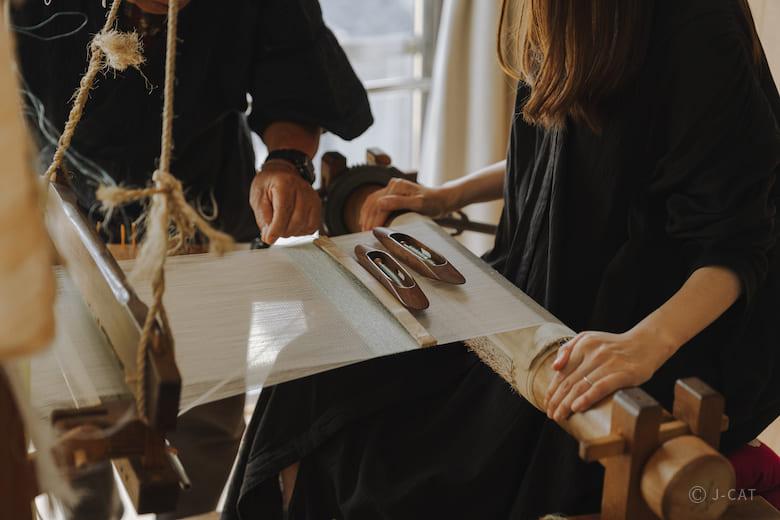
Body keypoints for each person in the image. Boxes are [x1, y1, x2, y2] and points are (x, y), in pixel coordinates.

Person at [223, 0, 780, 518]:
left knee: (390, 471)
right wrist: (447, 196)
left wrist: (642, 345)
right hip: (535, 291)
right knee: (309, 379)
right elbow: (561, 151)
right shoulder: (550, 11)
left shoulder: (698, 26)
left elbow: (734, 245)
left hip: (657, 330)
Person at [10, 0, 372, 518]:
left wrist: (285, 164)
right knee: (75, 423)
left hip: (203, 220)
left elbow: (296, 82)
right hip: (59, 214)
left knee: (203, 425)